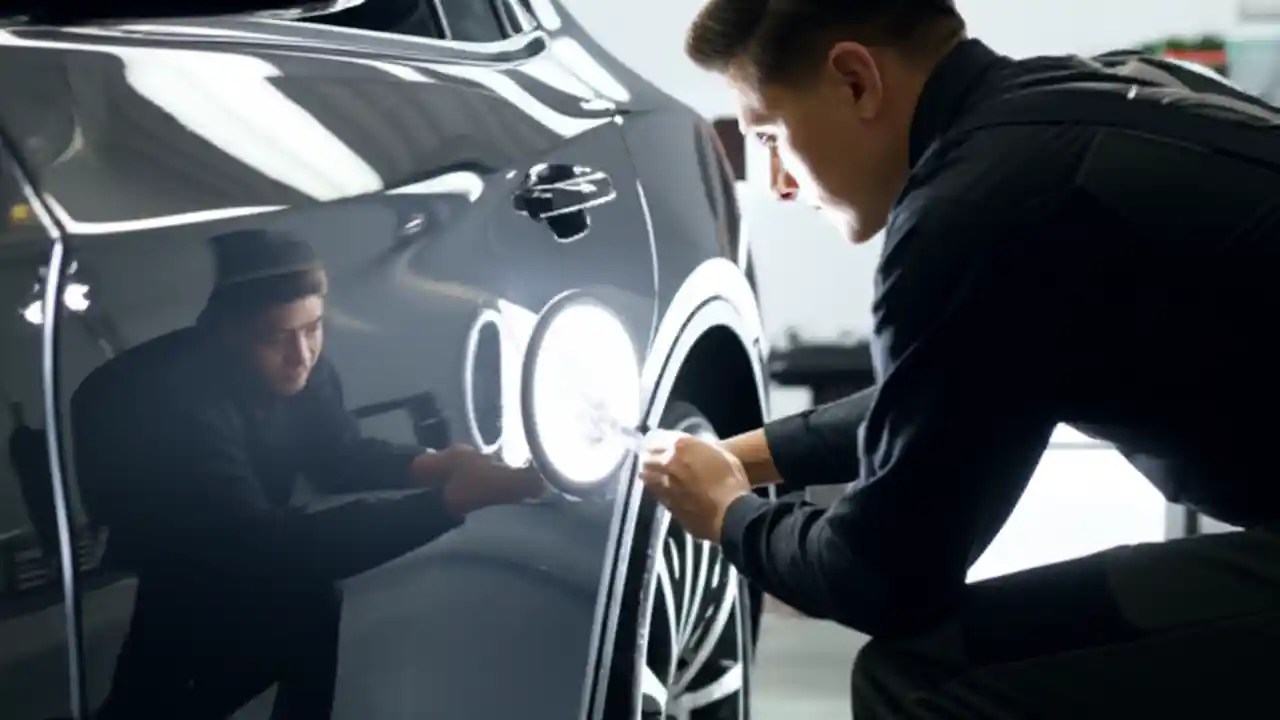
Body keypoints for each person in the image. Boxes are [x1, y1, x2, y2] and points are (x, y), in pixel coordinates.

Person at [639, 1, 1280, 717]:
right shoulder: (1095, 101)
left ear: (855, 81)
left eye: (769, 136)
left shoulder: (970, 214)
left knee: (921, 680)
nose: (782, 184)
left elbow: (880, 580)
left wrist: (728, 514)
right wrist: (750, 457)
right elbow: (949, 383)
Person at [75, 228, 544, 719]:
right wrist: (450, 502)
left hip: (235, 534)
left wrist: (436, 464)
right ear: (227, 331)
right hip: (171, 539)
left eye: (313, 328)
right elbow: (271, 548)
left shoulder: (300, 363)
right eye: (277, 336)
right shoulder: (184, 403)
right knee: (163, 684)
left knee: (310, 610)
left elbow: (334, 454)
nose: (302, 355)